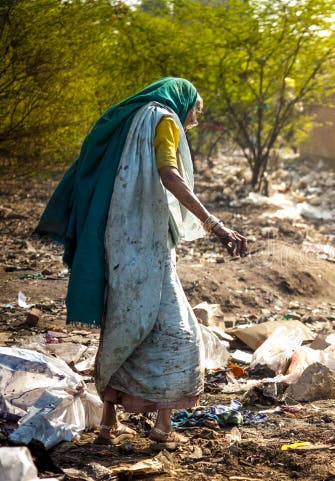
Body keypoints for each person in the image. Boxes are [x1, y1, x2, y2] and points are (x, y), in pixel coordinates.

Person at [35, 78, 248, 445]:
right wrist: (215, 224)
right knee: (178, 332)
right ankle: (163, 427)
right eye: (196, 106)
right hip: (146, 241)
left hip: (115, 233)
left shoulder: (131, 117)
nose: (196, 115)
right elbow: (169, 174)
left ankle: (107, 422)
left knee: (122, 322)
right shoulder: (163, 119)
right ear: (181, 100)